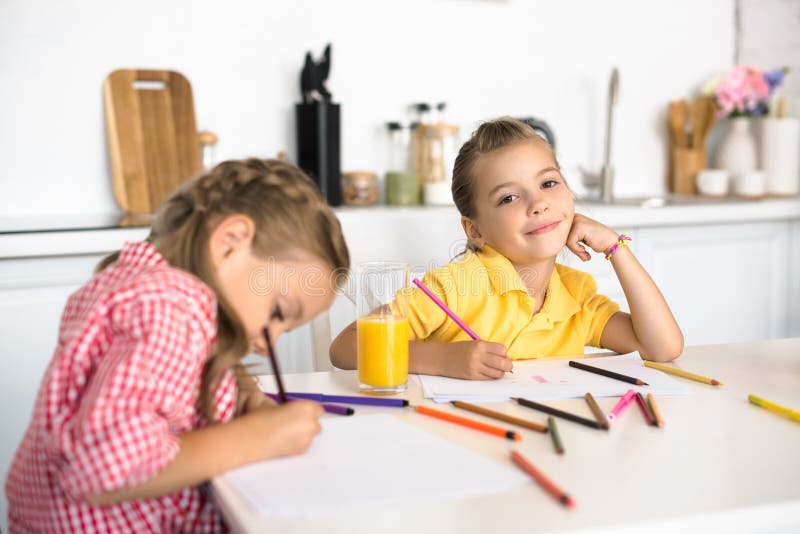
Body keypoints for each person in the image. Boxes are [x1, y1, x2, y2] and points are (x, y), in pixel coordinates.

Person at [6, 158, 350, 532]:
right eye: (279, 312)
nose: (271, 342)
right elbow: (105, 468)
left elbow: (182, 376)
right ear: (230, 242)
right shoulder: (171, 307)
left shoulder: (143, 284)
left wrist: (246, 394)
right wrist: (258, 439)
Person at [330, 117, 682, 379]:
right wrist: (442, 359)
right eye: (509, 197)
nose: (538, 203)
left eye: (548, 183)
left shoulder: (576, 298)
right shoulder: (452, 288)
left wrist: (616, 248)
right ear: (475, 230)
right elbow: (344, 348)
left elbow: (662, 348)